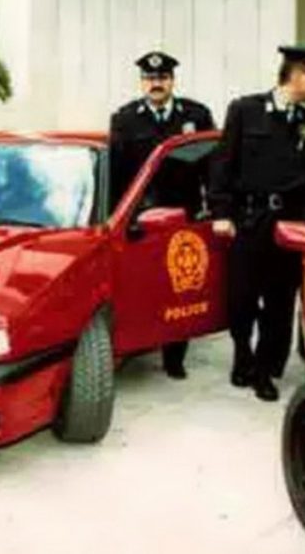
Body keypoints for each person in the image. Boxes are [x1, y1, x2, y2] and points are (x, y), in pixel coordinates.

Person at [209, 45, 305, 402]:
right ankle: (242, 354)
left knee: (280, 303)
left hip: (289, 228)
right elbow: (222, 164)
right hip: (249, 221)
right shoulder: (246, 110)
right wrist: (220, 212)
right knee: (241, 298)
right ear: (298, 74)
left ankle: (265, 370)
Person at [109, 51, 215, 380]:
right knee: (146, 282)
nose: (156, 84)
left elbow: (212, 164)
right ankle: (144, 340)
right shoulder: (125, 119)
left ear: (172, 81)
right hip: (141, 217)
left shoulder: (196, 115)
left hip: (184, 211)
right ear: (143, 82)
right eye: (150, 79)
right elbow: (116, 173)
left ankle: (175, 356)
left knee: (180, 284)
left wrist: (213, 206)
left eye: (162, 78)